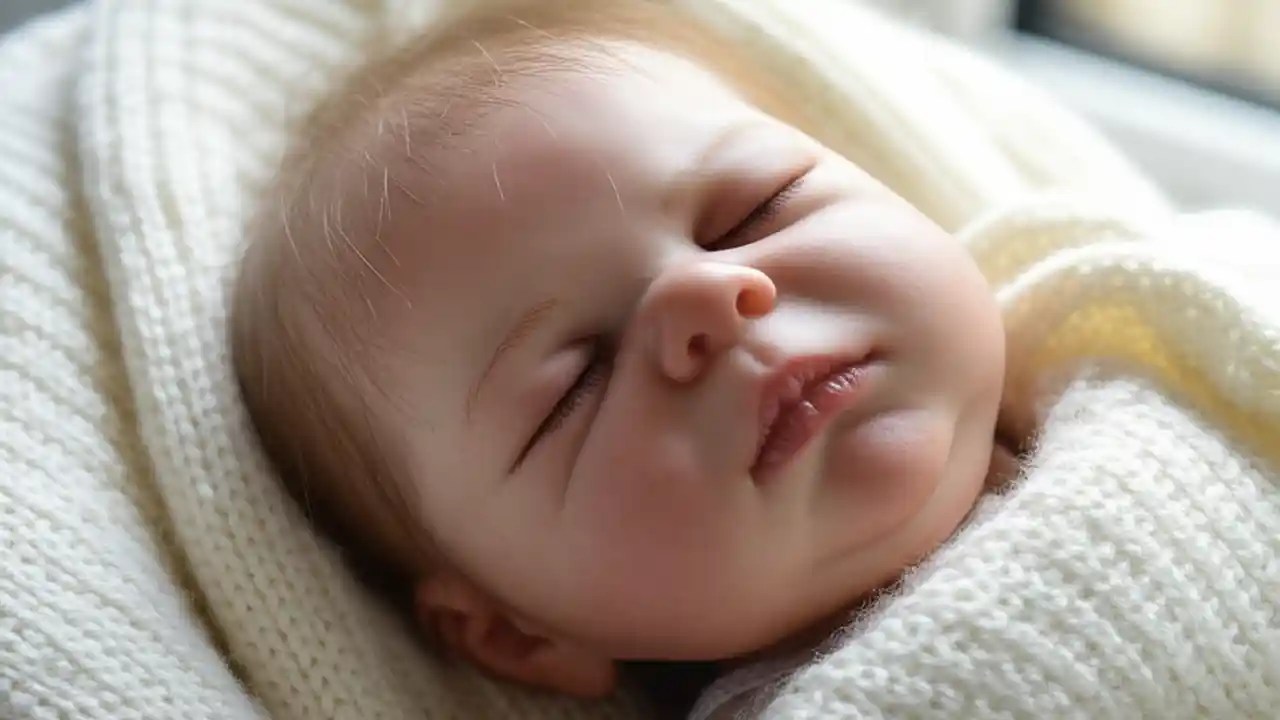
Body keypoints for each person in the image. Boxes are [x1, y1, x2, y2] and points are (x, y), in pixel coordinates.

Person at [231, 0, 1026, 715]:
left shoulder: (1125, 351)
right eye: (581, 384)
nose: (711, 297)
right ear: (520, 636)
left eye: (753, 211)